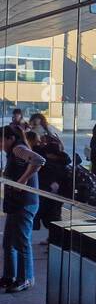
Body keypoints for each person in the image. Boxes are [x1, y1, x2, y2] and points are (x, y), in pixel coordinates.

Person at [2, 124, 45, 293]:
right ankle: (9, 276)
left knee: (21, 242)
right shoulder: (14, 150)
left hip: (24, 203)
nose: (0, 145)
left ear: (10, 139)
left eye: (1, 141)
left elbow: (39, 160)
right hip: (16, 203)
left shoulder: (18, 148)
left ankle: (26, 278)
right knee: (9, 243)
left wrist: (23, 181)